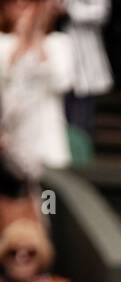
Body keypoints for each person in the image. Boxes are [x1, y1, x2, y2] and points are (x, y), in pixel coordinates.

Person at [0, 0, 73, 175]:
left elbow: (61, 82)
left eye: (28, 4)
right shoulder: (3, 43)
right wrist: (22, 41)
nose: (22, 9)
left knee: (50, 199)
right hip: (10, 145)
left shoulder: (59, 43)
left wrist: (36, 37)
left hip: (48, 142)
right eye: (14, 3)